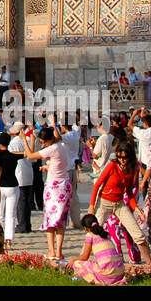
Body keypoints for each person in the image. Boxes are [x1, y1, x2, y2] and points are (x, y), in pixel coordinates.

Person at [90, 140, 151, 267]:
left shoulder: (132, 169)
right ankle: (88, 259)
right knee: (93, 233)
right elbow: (97, 185)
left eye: (124, 157)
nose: (121, 160)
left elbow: (129, 192)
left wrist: (136, 208)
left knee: (138, 235)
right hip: (104, 202)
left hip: (119, 203)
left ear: (129, 156)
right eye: (119, 157)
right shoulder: (112, 166)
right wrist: (92, 206)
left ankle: (150, 263)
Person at [20, 121, 72, 259]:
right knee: (60, 220)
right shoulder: (62, 146)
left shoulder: (52, 148)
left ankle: (52, 251)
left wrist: (25, 141)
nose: (42, 145)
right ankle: (59, 252)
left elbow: (31, 156)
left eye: (43, 142)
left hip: (54, 186)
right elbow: (59, 164)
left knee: (50, 219)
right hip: (65, 184)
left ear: (48, 140)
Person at [70, 213, 127, 285]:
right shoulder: (105, 234)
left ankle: (94, 280)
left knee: (76, 264)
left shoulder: (90, 235)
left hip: (106, 274)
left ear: (86, 228)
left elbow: (85, 257)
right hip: (119, 273)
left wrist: (73, 260)